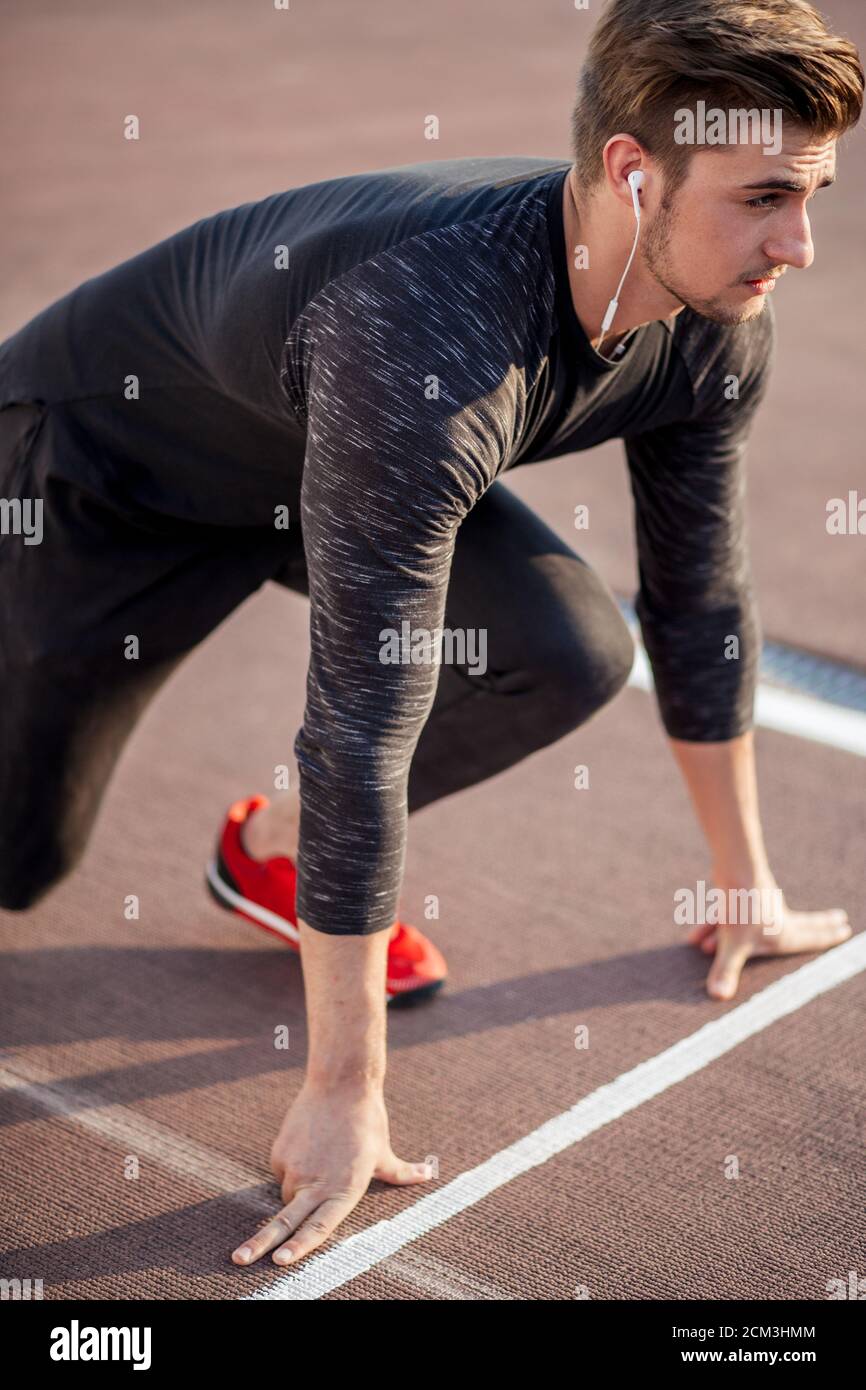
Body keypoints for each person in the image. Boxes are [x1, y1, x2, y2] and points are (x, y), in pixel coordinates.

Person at [0, 0, 860, 1271]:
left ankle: (272, 854)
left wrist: (741, 881)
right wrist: (344, 1089)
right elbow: (361, 710)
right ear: (631, 171)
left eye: (816, 193)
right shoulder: (425, 331)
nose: (796, 243)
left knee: (569, 647)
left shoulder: (712, 322)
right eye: (764, 196)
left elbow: (699, 601)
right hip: (100, 480)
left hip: (310, 466)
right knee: (21, 861)